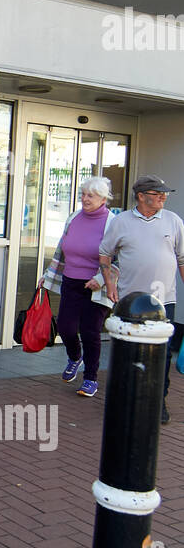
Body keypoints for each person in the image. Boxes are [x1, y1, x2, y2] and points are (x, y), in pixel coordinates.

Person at [98, 175, 184, 424]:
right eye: (157, 193)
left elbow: (182, 259)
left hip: (163, 300)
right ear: (141, 195)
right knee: (127, 350)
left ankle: (159, 401)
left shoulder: (173, 221)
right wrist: (110, 284)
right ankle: (126, 398)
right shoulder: (122, 222)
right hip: (129, 301)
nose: (163, 197)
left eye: (164, 193)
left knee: (163, 353)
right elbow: (105, 254)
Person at [42, 177, 114, 399]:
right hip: (71, 282)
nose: (84, 199)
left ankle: (90, 378)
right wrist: (47, 275)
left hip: (96, 286)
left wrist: (100, 280)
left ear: (103, 199)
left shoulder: (113, 223)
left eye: (90, 195)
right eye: (83, 194)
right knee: (65, 328)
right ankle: (75, 357)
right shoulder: (74, 217)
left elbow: (119, 259)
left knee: (91, 331)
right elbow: (61, 250)